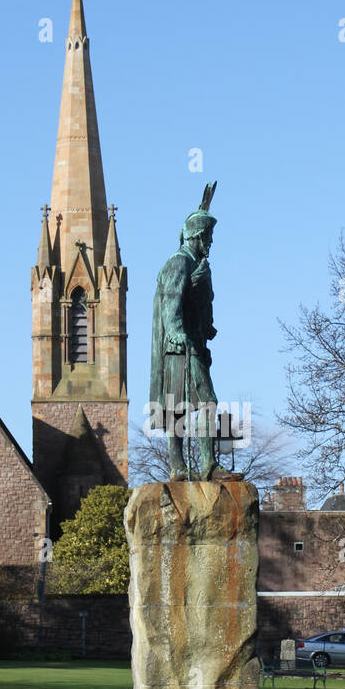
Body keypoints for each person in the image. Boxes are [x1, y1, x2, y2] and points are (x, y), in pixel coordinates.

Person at [149, 182, 241, 481]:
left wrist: (207, 326)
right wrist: (176, 331)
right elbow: (170, 302)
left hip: (195, 343)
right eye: (209, 237)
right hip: (179, 347)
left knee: (201, 404)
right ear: (199, 236)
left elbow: (199, 301)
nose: (211, 242)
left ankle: (206, 465)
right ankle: (182, 466)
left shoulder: (197, 263)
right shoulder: (178, 263)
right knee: (182, 408)